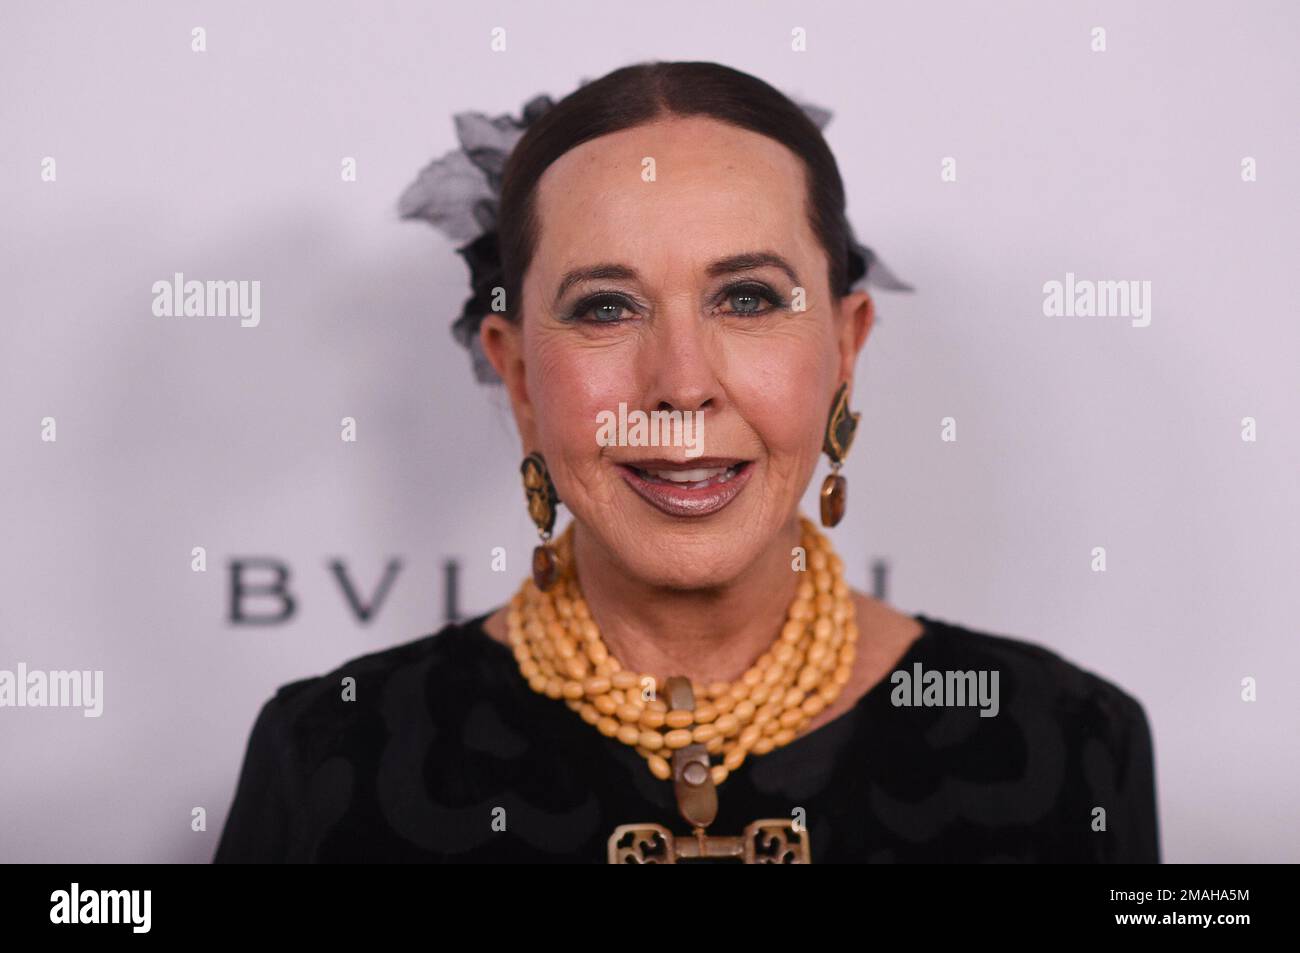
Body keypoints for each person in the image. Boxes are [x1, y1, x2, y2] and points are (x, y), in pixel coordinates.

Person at [214, 60, 1159, 863]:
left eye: (746, 299)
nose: (680, 385)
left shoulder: (1068, 741)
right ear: (518, 376)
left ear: (848, 345)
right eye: (605, 308)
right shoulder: (329, 750)